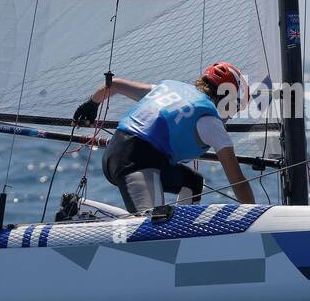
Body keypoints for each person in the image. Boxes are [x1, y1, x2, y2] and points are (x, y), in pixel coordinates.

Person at [73, 62, 257, 213]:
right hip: (136, 164)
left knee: (192, 182)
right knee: (151, 227)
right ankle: (80, 212)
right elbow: (238, 180)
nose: (234, 113)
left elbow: (114, 84)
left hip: (119, 154)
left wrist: (91, 105)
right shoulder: (211, 123)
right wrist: (254, 215)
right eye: (236, 106)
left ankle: (182, 232)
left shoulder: (167, 90)